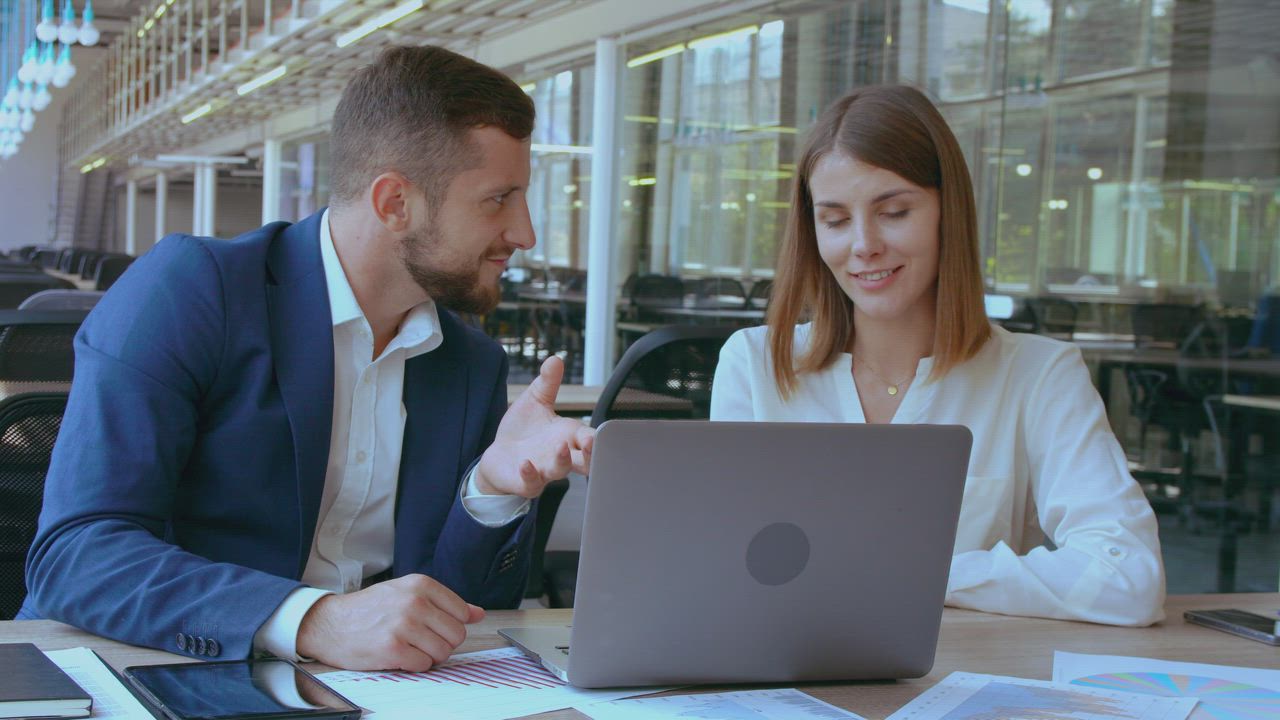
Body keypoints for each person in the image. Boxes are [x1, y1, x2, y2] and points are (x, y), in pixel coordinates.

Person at [19, 45, 594, 671]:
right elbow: (78, 555)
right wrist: (311, 618)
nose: (524, 233)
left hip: (362, 693)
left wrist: (490, 492)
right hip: (151, 668)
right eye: (498, 199)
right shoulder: (193, 291)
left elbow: (456, 611)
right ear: (395, 203)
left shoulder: (468, 362)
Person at [711, 85, 1165, 626]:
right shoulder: (755, 364)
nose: (863, 244)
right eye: (834, 220)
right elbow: (726, 566)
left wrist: (918, 574)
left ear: (948, 212)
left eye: (895, 211)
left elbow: (1128, 577)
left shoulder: (1039, 375)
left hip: (964, 688)